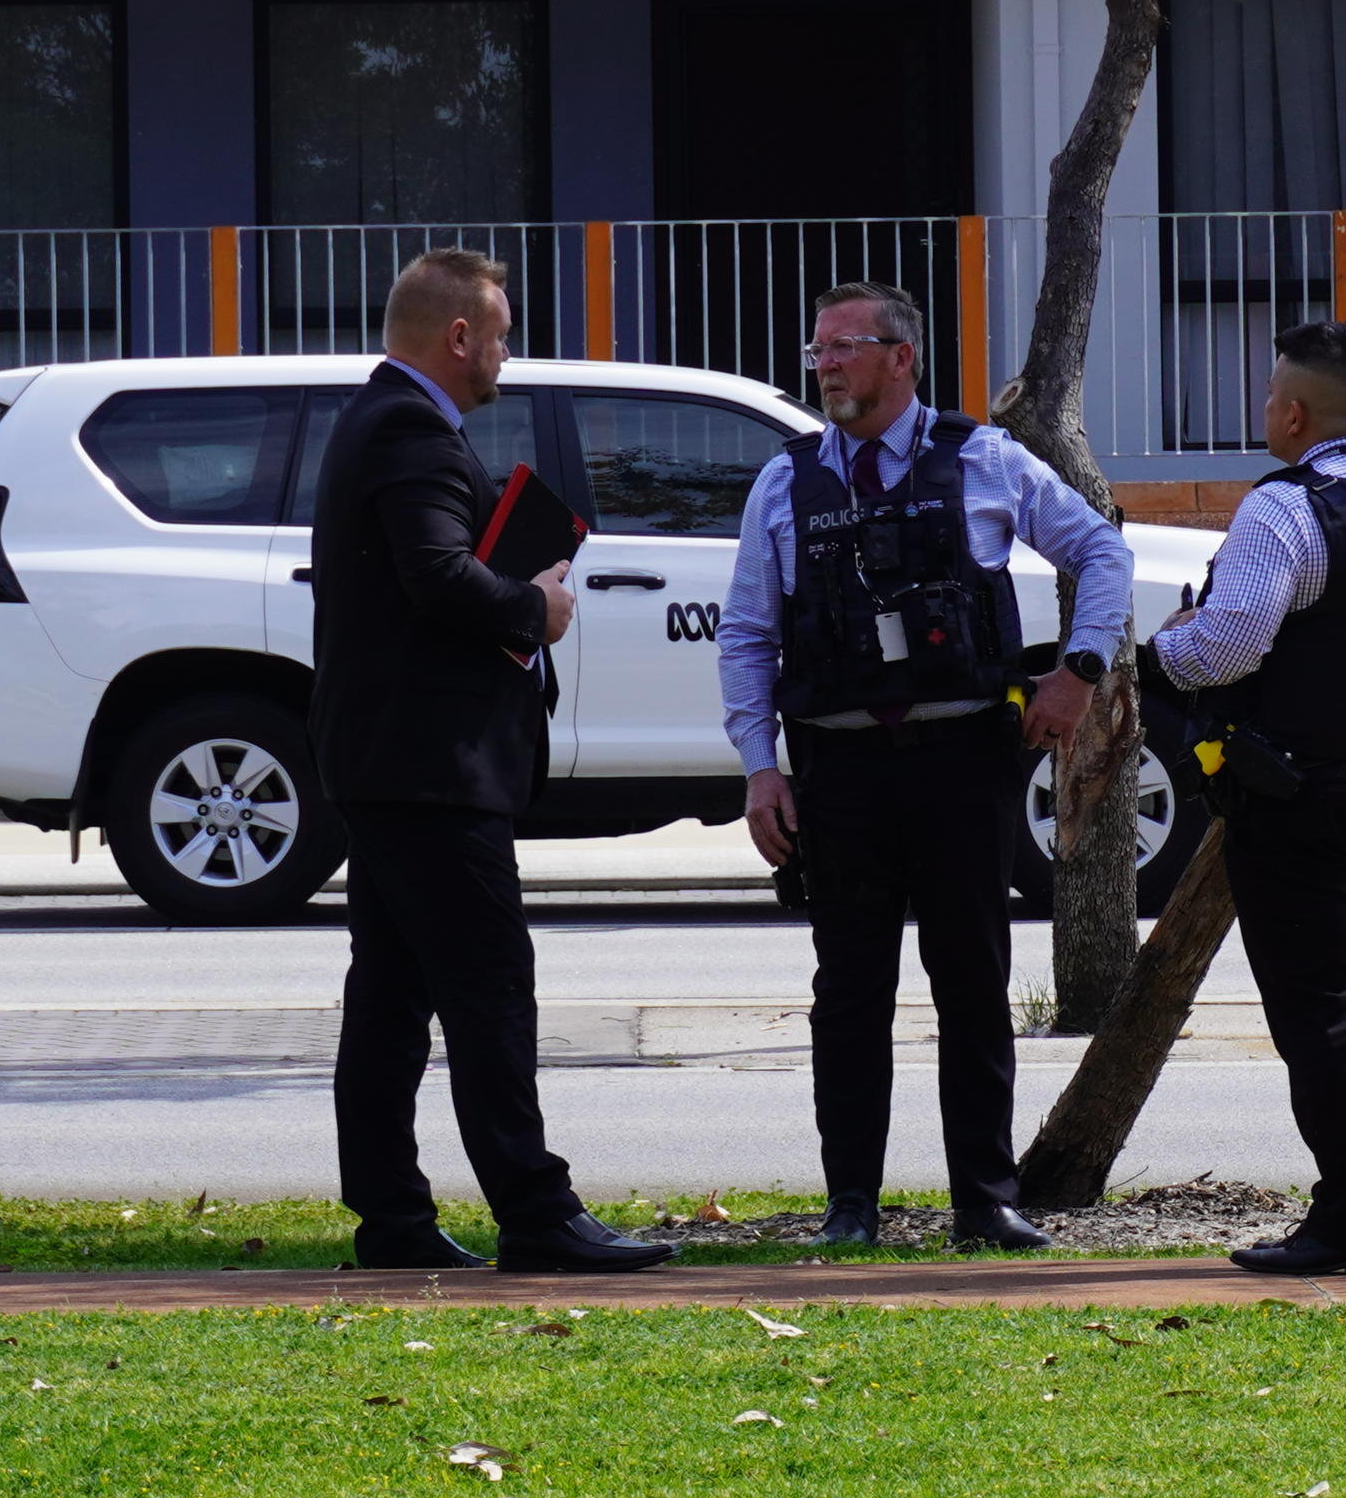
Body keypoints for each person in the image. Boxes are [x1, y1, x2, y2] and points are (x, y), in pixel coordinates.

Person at [720, 282, 1131, 1251]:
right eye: (817, 349)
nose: (824, 366)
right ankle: (849, 1206)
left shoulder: (985, 458)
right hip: (839, 770)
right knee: (848, 991)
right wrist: (759, 768)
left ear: (901, 357)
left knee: (972, 981)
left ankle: (984, 1201)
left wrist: (1078, 673)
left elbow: (1100, 552)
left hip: (961, 761)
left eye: (843, 347)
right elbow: (747, 634)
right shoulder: (784, 481)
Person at [310, 247, 672, 1276]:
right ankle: (536, 1212)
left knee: (389, 1002)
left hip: (389, 761)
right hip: (430, 769)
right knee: (489, 988)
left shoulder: (376, 419)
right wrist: (535, 606)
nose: (506, 355)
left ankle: (391, 1220)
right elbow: (435, 573)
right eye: (501, 335)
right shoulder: (413, 432)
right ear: (458, 335)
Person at [1137, 321, 1346, 1277]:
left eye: (1268, 396)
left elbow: (1229, 646)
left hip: (1302, 797)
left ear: (1293, 413)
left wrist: (1155, 656)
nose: (1265, 411)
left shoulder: (1284, 511)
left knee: (1321, 1015)